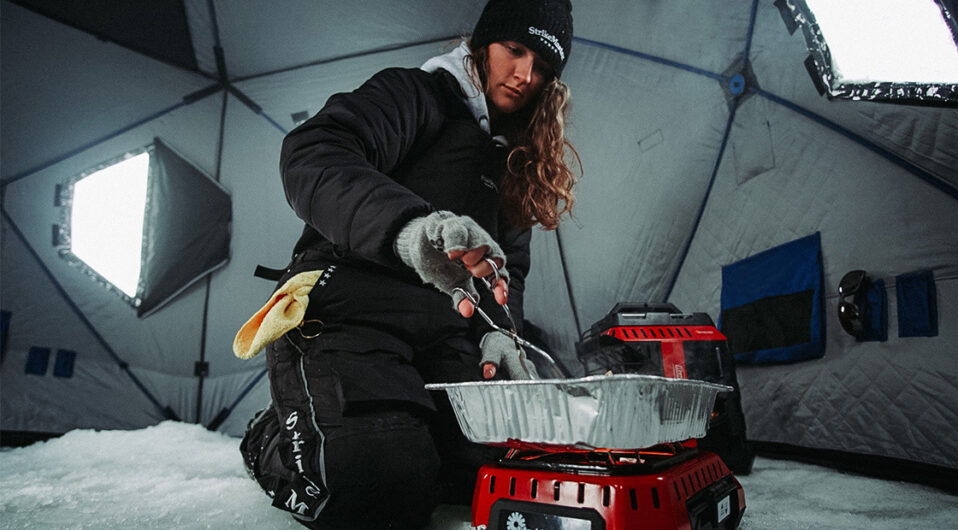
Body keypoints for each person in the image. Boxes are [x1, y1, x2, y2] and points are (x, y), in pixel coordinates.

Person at [239, 1, 578, 528]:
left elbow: (509, 272)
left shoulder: (516, 158)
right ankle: (272, 435)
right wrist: (410, 230)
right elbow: (313, 151)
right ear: (483, 43)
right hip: (349, 307)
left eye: (543, 67)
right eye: (514, 50)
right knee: (380, 484)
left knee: (495, 475)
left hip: (445, 337)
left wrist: (501, 334)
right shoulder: (417, 94)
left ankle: (373, 420)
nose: (525, 75)